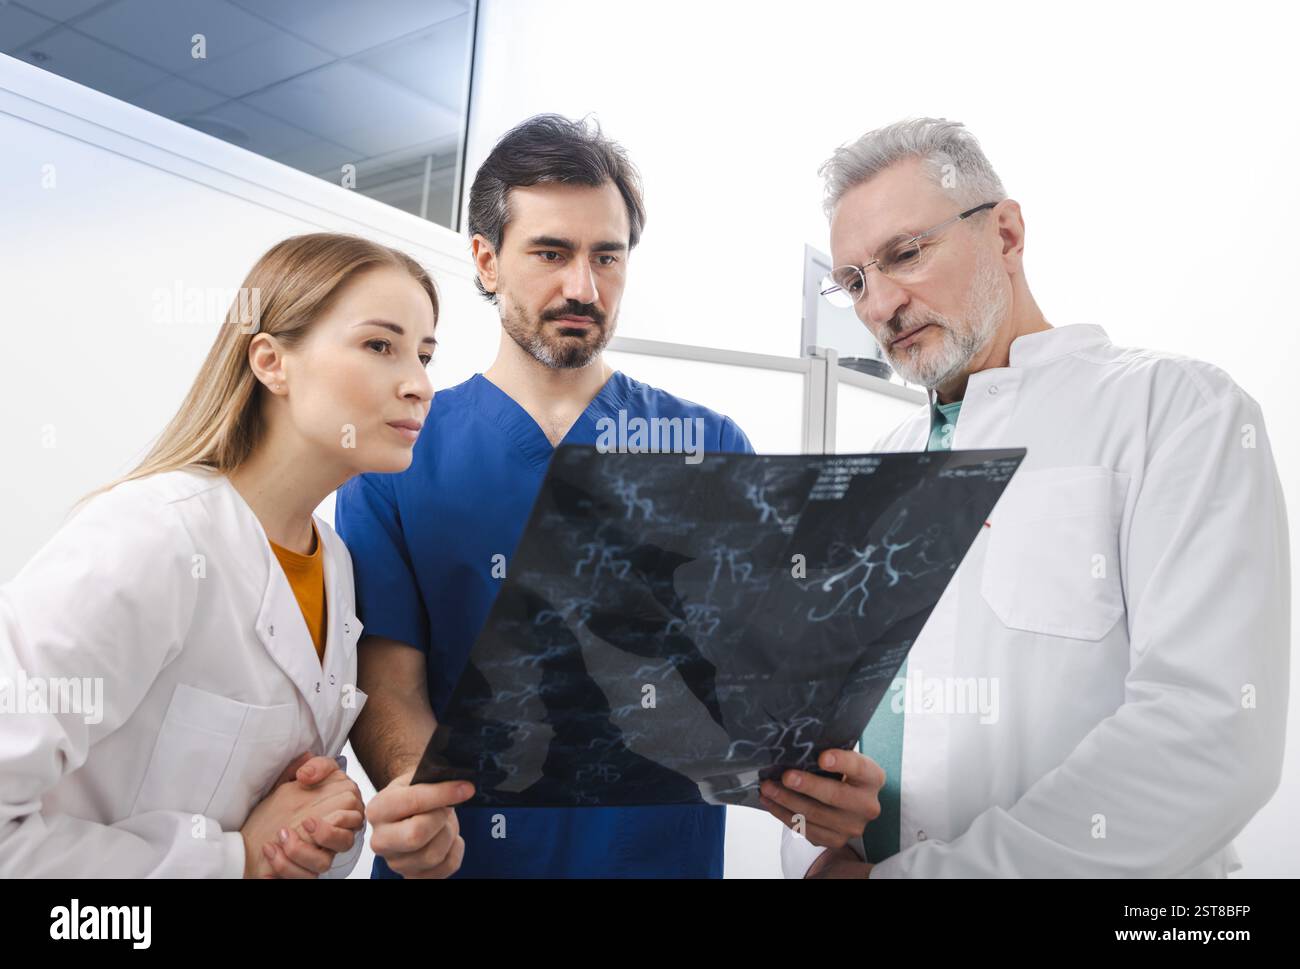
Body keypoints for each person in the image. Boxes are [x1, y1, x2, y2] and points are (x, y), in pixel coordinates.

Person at [773, 117, 1289, 878]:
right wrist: (821, 826)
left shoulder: (1178, 413)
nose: (879, 305)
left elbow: (1210, 731)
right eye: (854, 281)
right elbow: (835, 729)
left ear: (1006, 234)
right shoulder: (872, 470)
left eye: (905, 254)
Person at [338, 114, 817, 878]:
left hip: (655, 857)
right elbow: (389, 675)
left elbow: (755, 676)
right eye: (551, 253)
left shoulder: (708, 444)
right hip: (464, 859)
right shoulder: (398, 451)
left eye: (607, 257)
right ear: (487, 261)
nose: (583, 287)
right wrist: (416, 791)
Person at [0, 232, 440, 877]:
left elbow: (279, 817)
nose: (419, 384)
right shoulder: (150, 536)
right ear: (271, 362)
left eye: (425, 355)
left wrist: (326, 815)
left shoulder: (335, 565)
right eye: (380, 345)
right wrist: (231, 859)